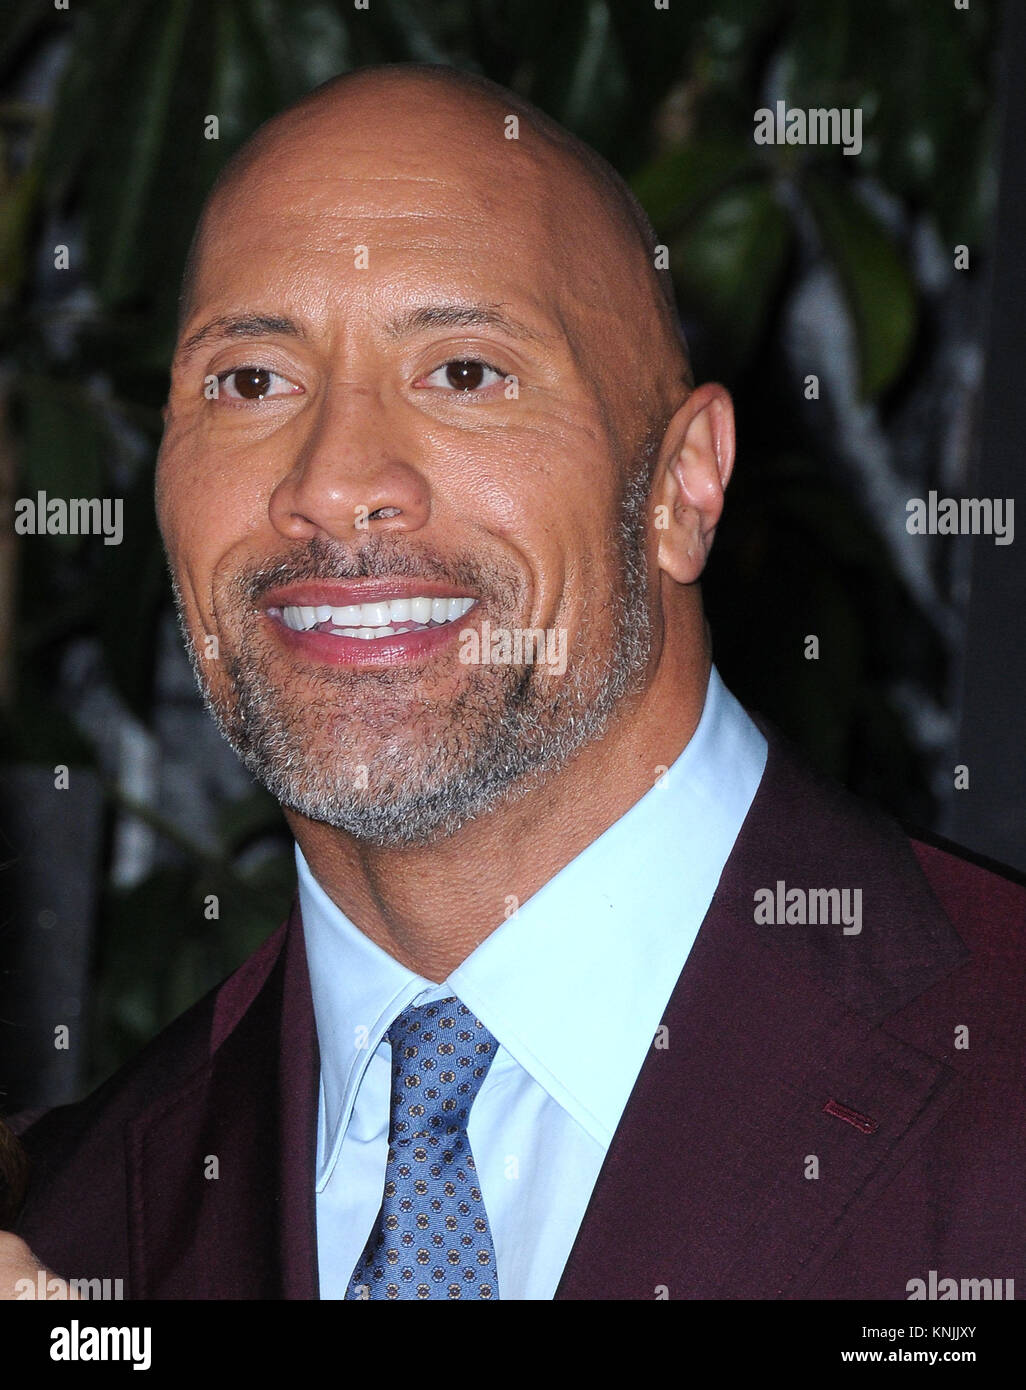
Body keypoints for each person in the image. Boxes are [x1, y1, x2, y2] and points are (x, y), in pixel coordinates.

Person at [4, 62, 1025, 1301]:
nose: (331, 481)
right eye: (251, 382)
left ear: (684, 484)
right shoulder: (71, 1228)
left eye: (467, 372)